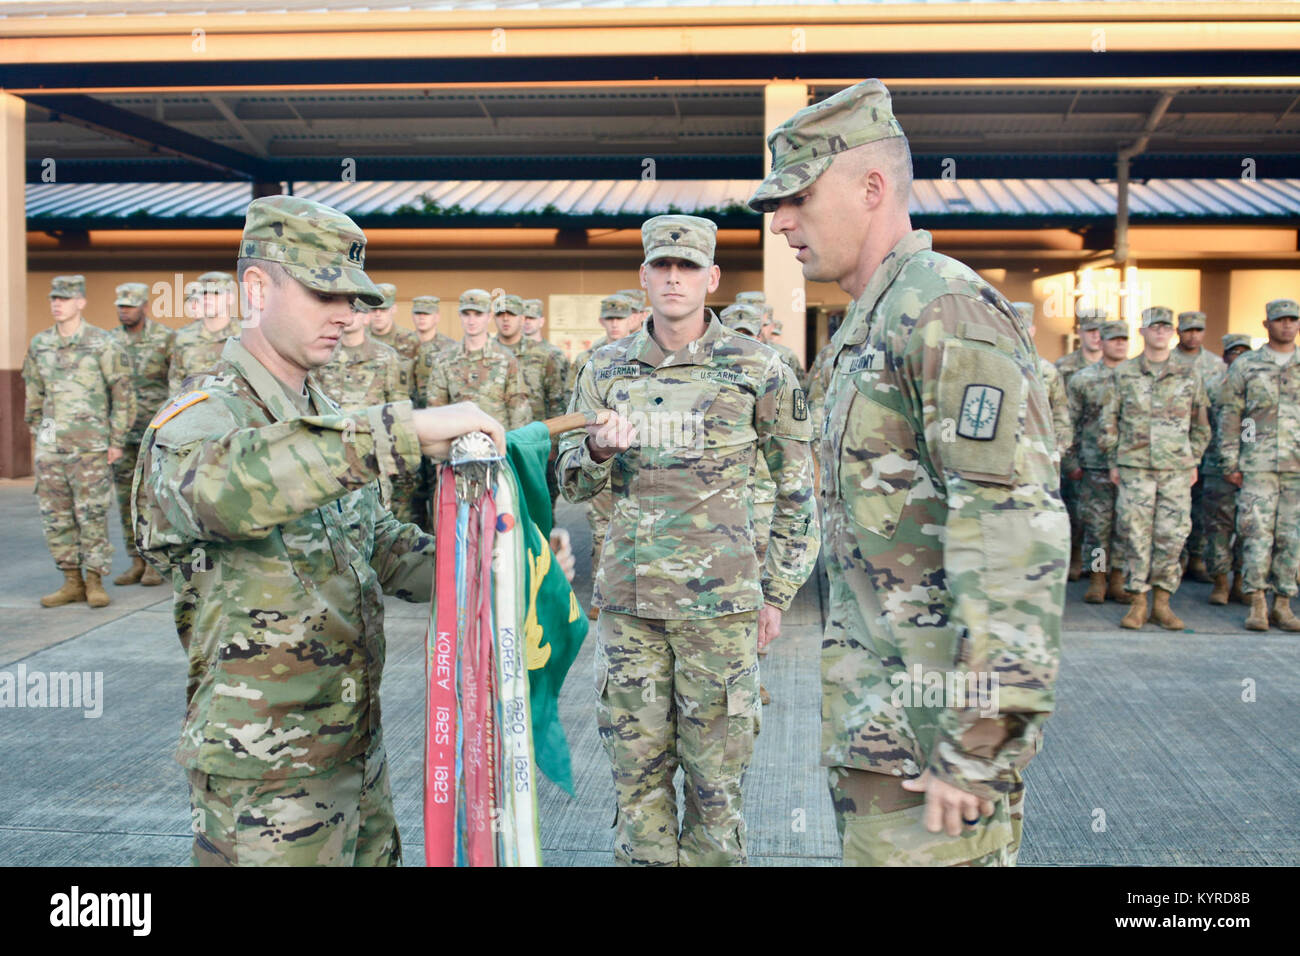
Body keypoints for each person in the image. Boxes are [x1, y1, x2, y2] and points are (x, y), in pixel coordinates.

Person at [133, 195, 505, 866]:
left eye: (354, 299)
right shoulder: (201, 416)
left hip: (354, 754)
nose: (345, 315)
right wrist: (401, 430)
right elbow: (224, 490)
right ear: (255, 288)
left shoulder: (333, 417)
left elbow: (381, 547)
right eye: (321, 291)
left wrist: (494, 555)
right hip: (266, 778)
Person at [753, 78, 1066, 866]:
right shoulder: (866, 325)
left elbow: (1013, 535)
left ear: (872, 186)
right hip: (880, 733)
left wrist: (985, 739)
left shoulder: (943, 313)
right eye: (773, 204)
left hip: (937, 753)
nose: (780, 220)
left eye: (796, 196)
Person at [558, 214, 818, 866]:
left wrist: (777, 594)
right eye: (663, 267)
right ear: (644, 276)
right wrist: (592, 446)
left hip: (721, 609)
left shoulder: (760, 368)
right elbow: (565, 476)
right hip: (630, 608)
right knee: (636, 779)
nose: (675, 279)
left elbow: (797, 491)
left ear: (713, 277)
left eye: (689, 267)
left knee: (716, 787)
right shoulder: (605, 368)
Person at [23, 275, 136, 609]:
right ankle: (71, 580)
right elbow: (33, 394)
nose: (57, 303)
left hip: (91, 448)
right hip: (52, 449)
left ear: (81, 302)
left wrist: (116, 439)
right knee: (55, 516)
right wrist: (38, 437)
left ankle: (95, 580)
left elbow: (123, 394)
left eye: (64, 298)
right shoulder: (40, 344)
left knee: (92, 514)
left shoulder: (103, 344)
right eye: (53, 299)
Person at [1098, 306, 1210, 630]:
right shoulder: (1124, 373)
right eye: (1154, 327)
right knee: (1134, 535)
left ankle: (1163, 602)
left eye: (1165, 327)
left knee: (1172, 536)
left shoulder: (1189, 374)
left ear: (1172, 333)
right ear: (1142, 332)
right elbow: (1109, 422)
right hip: (1135, 468)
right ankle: (1137, 602)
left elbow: (1201, 424)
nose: (1160, 332)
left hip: (1176, 469)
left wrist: (1194, 459)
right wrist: (1113, 461)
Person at [1219, 299, 1300, 631]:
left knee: (1292, 537)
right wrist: (1231, 460)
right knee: (1255, 534)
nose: (1287, 324)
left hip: (1296, 467)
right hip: (1257, 465)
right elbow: (1230, 415)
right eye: (1280, 319)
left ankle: (1284, 604)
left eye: (1293, 319)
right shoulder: (1247, 364)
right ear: (1266, 325)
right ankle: (1257, 604)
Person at [313, 300, 419, 525]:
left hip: (375, 453)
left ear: (367, 317)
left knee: (377, 521)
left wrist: (395, 459)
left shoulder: (386, 356)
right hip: (334, 454)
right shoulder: (323, 355)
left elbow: (398, 408)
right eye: (349, 309)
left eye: (358, 311)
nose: (352, 316)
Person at [565, 293, 638, 598]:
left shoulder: (646, 354)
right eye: (609, 318)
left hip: (638, 461)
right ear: (601, 321)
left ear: (634, 317)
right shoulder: (590, 359)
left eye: (620, 318)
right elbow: (576, 412)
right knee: (601, 528)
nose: (615, 324)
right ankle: (601, 593)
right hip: (602, 455)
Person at [108, 281, 173, 588]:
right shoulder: (109, 342)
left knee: (153, 499)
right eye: (121, 306)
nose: (124, 311)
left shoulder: (164, 339)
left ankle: (154, 562)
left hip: (154, 432)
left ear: (144, 307)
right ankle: (135, 560)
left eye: (130, 306)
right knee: (125, 500)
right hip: (122, 434)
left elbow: (176, 383)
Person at [1065, 320, 1131, 604]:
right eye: (1113, 339)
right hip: (1094, 465)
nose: (1119, 343)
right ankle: (1097, 577)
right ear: (1101, 342)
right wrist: (1070, 461)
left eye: (1123, 339)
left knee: (1126, 526)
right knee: (1096, 527)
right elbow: (1069, 422)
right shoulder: (1083, 378)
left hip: (1132, 465)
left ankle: (1119, 578)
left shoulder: (1136, 377)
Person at [494, 292, 570, 508]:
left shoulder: (545, 355)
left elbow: (557, 402)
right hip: (495, 445)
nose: (506, 319)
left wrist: (553, 445)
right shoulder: (487, 353)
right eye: (501, 315)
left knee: (539, 508)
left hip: (536, 445)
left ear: (521, 317)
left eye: (512, 314)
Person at [425, 289, 532, 430]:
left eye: (478, 314)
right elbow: (436, 412)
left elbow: (519, 413)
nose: (471, 321)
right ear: (460, 316)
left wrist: (514, 450)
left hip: (498, 446)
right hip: (456, 444)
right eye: (466, 314)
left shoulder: (506, 359)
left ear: (489, 316)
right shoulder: (444, 359)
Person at [1201, 333, 1253, 605]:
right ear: (1225, 357)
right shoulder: (1211, 386)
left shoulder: (1257, 386)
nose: (1239, 357)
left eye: (1245, 352)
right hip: (1215, 469)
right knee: (1217, 529)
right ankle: (1220, 582)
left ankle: (1241, 581)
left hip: (1251, 470)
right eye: (1234, 352)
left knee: (1248, 528)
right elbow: (1200, 424)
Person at [1171, 310, 1223, 582]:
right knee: (1177, 509)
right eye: (1188, 330)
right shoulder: (1168, 362)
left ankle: (1198, 558)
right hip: (1176, 448)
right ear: (1179, 331)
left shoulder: (1216, 365)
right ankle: (1176, 559)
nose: (1193, 335)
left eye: (1198, 330)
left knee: (1204, 508)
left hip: (1209, 448)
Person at [1056, 307, 1106, 579]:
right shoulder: (1064, 367)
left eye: (1101, 332)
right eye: (1090, 331)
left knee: (1103, 522)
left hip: (1106, 458)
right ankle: (1075, 557)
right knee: (1073, 513)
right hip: (1076, 454)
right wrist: (1068, 458)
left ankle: (1098, 568)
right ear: (1079, 333)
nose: (1096, 337)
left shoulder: (1120, 368)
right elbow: (1062, 415)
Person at [1012, 302, 1072, 465]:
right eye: (1013, 327)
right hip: (1005, 457)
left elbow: (1061, 415)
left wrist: (1056, 453)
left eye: (1023, 328)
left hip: (1041, 459)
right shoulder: (995, 365)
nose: (1018, 333)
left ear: (1032, 331)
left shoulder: (1047, 371)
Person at [168, 271, 239, 393]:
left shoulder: (245, 336)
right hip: (192, 409)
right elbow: (176, 384)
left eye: (216, 293)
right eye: (204, 293)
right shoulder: (184, 337)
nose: (208, 298)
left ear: (230, 298)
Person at [367, 284, 420, 360]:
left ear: (393, 309)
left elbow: (420, 371)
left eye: (383, 309)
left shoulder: (410, 340)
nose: (378, 314)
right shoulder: (359, 338)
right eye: (374, 309)